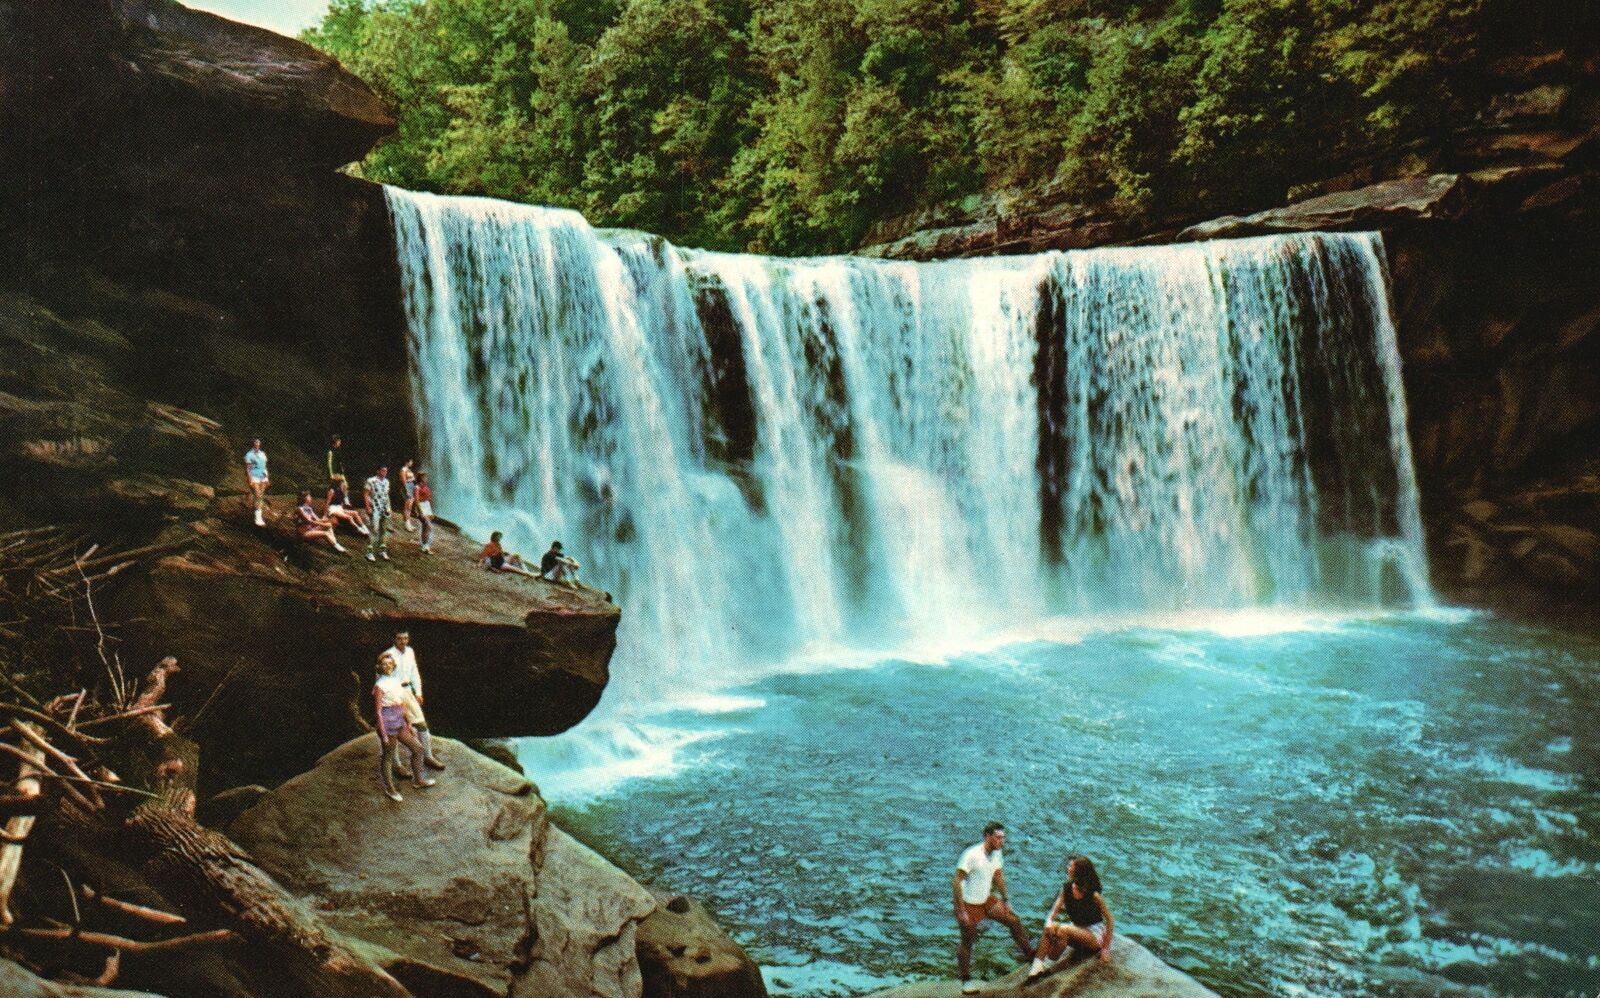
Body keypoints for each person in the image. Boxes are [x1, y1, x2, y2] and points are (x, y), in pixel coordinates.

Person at [954, 822, 1034, 993]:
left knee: (1014, 919)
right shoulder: (971, 855)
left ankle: (1031, 957)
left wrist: (1006, 898)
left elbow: (998, 875)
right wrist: (960, 910)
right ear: (987, 836)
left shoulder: (997, 854)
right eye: (998, 837)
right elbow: (957, 882)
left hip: (986, 900)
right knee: (968, 940)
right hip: (969, 903)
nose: (1001, 841)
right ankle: (966, 980)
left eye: (1003, 838)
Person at [1028, 855, 1114, 978]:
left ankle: (1048, 965)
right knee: (1051, 927)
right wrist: (1048, 922)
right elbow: (1054, 911)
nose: (1067, 868)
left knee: (1063, 929)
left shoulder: (1093, 895)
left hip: (1093, 935)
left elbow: (1110, 920)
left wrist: (1105, 949)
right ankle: (1037, 967)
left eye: (1070, 866)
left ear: (1078, 871)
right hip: (1077, 930)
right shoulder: (1066, 888)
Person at [373, 651, 435, 802]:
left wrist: (408, 723)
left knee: (418, 749)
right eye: (384, 664)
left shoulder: (395, 680)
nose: (387, 666)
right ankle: (390, 789)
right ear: (379, 667)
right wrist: (383, 733)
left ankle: (418, 780)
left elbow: (402, 703)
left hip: (400, 719)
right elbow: (378, 711)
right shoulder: (379, 686)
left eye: (390, 663)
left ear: (393, 666)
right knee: (388, 756)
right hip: (388, 722)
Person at [384, 630, 445, 775]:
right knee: (395, 729)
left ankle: (428, 756)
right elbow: (381, 678)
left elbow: (414, 672)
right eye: (399, 638)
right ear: (393, 639)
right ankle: (397, 765)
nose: (403, 641)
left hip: (408, 691)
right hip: (394, 693)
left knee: (422, 725)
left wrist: (418, 692)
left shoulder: (410, 651)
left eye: (406, 638)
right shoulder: (388, 655)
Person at [364, 465, 392, 562]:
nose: (384, 472)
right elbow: (366, 494)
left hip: (384, 507)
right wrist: (368, 507)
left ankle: (382, 550)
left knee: (383, 529)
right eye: (383, 470)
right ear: (378, 471)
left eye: (386, 471)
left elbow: (386, 495)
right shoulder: (371, 481)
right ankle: (369, 552)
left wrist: (389, 507)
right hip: (375, 506)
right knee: (374, 529)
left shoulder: (387, 481)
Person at [243, 438, 269, 527]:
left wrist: (267, 477)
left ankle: (258, 514)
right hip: (254, 476)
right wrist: (249, 478)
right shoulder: (249, 455)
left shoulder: (262, 454)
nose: (257, 444)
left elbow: (264, 466)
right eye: (256, 442)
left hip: (262, 476)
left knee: (260, 496)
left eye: (258, 442)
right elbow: (247, 468)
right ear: (253, 444)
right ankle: (258, 518)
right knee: (257, 495)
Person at [414, 471, 434, 554]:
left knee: (425, 527)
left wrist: (430, 511)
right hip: (421, 507)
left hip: (427, 507)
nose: (426, 478)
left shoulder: (426, 486)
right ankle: (426, 546)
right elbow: (417, 500)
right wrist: (420, 512)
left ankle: (424, 546)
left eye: (426, 477)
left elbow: (429, 498)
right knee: (429, 527)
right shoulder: (417, 487)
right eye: (424, 477)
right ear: (420, 478)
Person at [399, 459, 418, 531]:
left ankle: (408, 523)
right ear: (407, 462)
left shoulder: (408, 469)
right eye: (411, 461)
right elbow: (403, 480)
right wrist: (407, 489)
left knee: (409, 507)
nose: (412, 463)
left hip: (411, 487)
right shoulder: (403, 469)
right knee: (407, 507)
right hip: (408, 487)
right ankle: (407, 525)